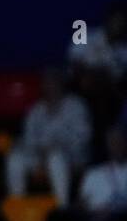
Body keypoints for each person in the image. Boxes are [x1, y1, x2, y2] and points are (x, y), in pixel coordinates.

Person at [5, 69, 92, 206]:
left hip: (71, 156)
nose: (49, 86)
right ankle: (17, 205)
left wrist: (59, 145)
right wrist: (42, 150)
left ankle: (61, 207)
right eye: (46, 83)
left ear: (60, 84)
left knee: (56, 158)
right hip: (39, 155)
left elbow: (84, 137)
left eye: (53, 82)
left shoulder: (76, 105)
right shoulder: (36, 109)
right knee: (15, 159)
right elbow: (28, 138)